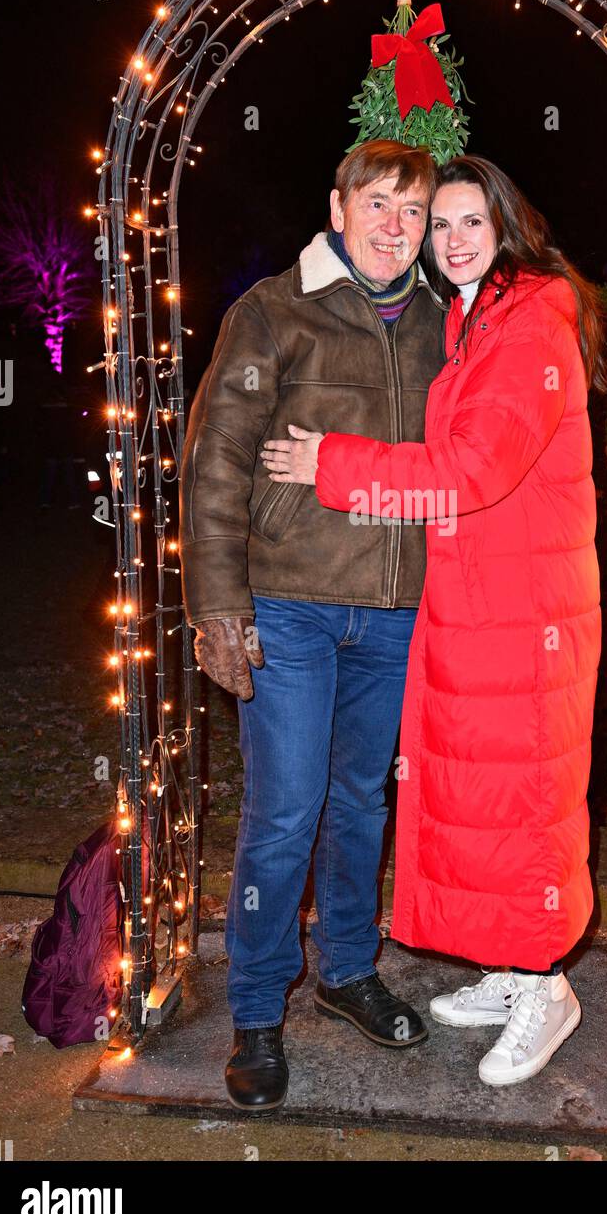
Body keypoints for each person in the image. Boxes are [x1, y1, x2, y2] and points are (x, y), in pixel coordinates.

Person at [261, 155, 607, 1087]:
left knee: (525, 802)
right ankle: (510, 965)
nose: (450, 240)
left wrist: (331, 462)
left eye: (468, 223)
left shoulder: (530, 325)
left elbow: (468, 472)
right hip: (482, 606)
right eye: (440, 224)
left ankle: (547, 986)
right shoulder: (475, 321)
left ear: (506, 229)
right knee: (486, 799)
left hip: (527, 614)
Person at [179, 140, 446, 1112]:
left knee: (361, 805)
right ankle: (255, 1009)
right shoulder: (272, 310)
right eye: (378, 204)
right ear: (339, 205)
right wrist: (216, 606)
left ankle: (345, 968)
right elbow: (215, 466)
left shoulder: (436, 325)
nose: (394, 227)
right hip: (287, 604)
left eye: (410, 212)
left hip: (391, 613)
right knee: (284, 810)